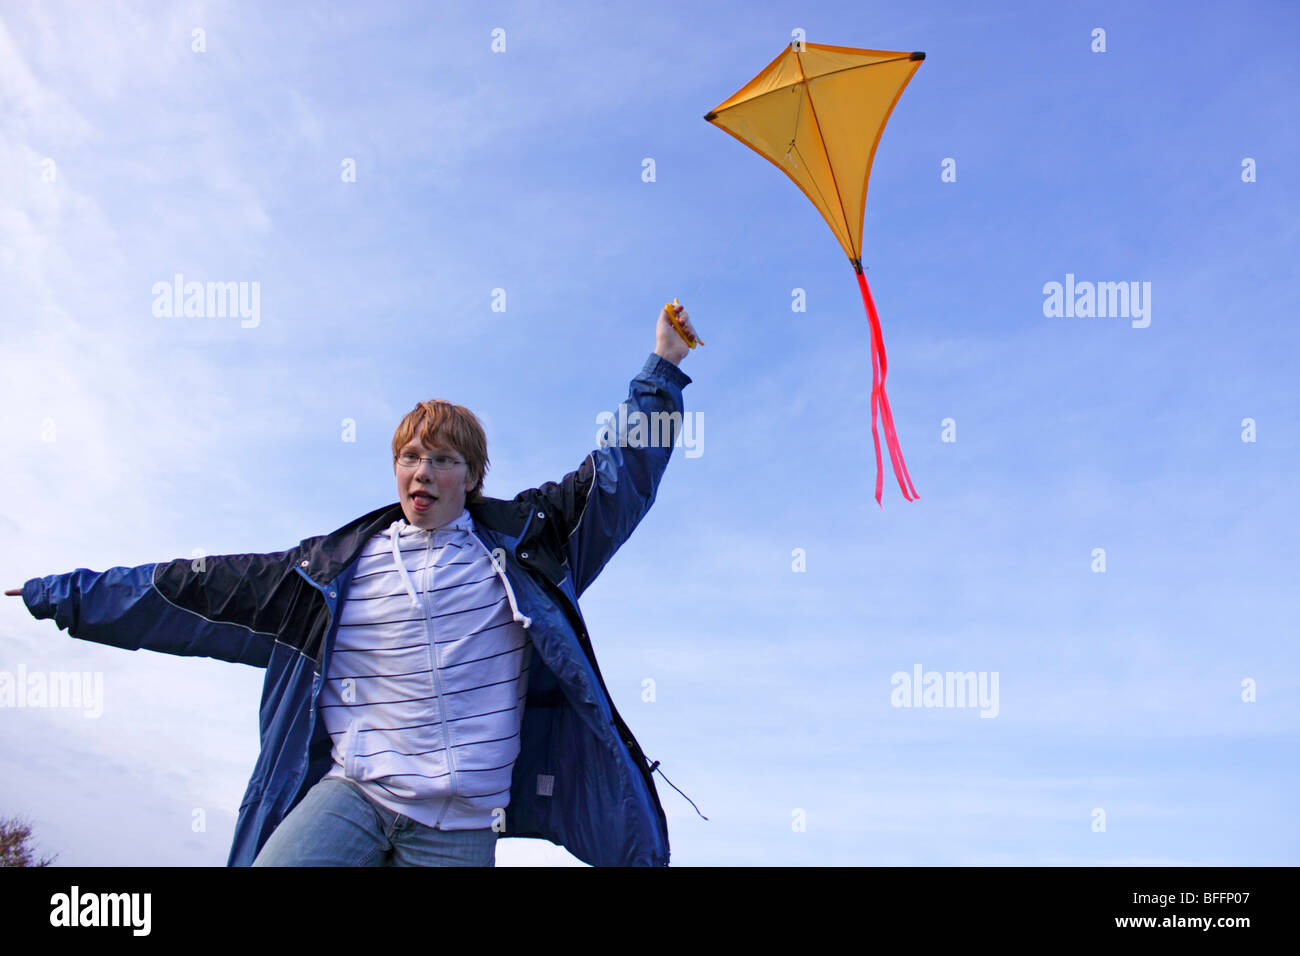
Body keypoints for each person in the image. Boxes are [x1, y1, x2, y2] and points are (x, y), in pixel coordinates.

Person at [7, 305, 701, 867]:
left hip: (460, 824)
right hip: (355, 795)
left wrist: (662, 367)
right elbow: (187, 589)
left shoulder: (527, 545)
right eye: (409, 456)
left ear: (471, 476)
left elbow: (620, 476)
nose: (421, 470)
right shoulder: (329, 571)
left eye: (441, 458)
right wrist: (60, 593)